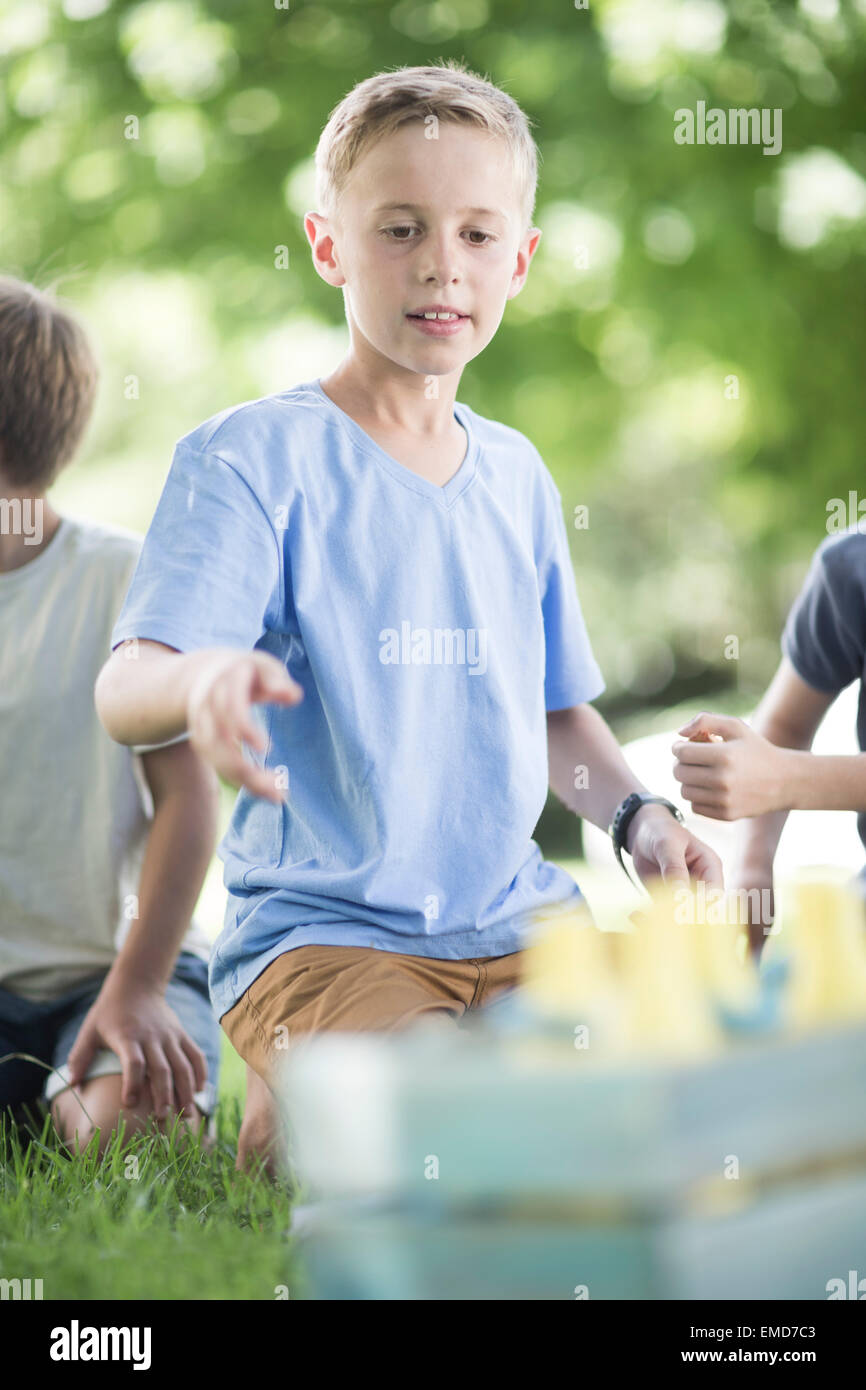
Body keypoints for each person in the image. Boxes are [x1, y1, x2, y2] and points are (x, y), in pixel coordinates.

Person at [95, 62, 722, 1173]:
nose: (442, 262)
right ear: (327, 244)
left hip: (521, 927)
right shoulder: (250, 460)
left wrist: (638, 821)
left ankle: (355, 1111)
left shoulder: (519, 476)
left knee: (670, 1104)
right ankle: (320, 1112)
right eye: (399, 228)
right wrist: (197, 684)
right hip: (328, 936)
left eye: (480, 235)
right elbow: (126, 682)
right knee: (445, 1127)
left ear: (518, 263)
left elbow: (556, 720)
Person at [0, 275, 221, 1152]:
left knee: (131, 1137)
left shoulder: (121, 581)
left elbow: (190, 802)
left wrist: (136, 988)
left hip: (114, 972)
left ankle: (72, 1089)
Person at [672, 523, 866, 954]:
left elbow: (781, 765)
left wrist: (786, 779)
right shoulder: (852, 562)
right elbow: (786, 727)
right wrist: (753, 865)